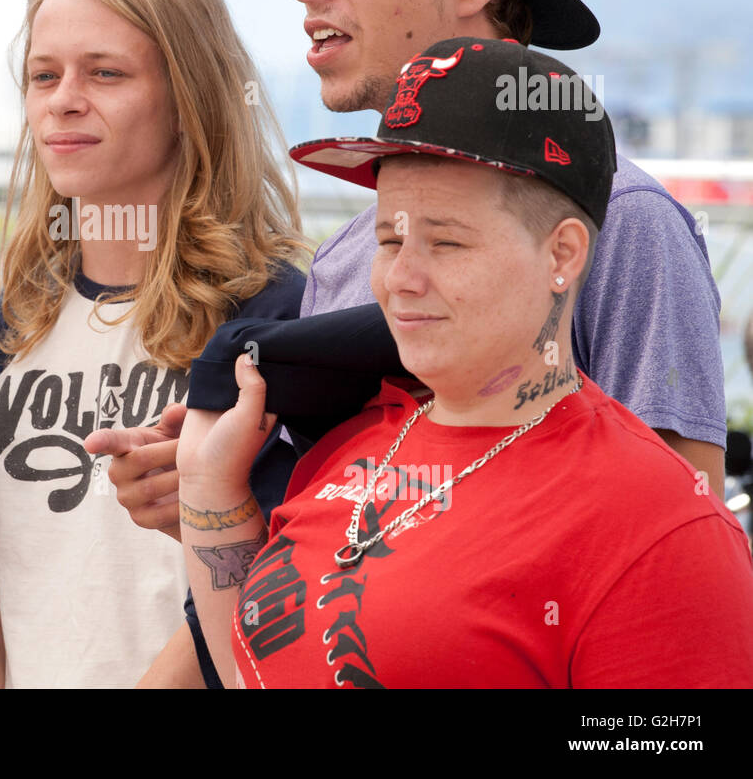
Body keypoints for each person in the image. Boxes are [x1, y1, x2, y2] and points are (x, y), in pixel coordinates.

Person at [88, 0, 728, 686]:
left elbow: (669, 560)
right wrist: (216, 492)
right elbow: (336, 577)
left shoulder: (623, 223)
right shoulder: (355, 254)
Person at [178, 36, 753, 688]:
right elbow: (248, 674)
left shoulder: (656, 526)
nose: (401, 278)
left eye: (445, 242)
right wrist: (210, 492)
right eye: (389, 239)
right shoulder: (348, 445)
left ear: (562, 255)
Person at [0, 0, 310, 688]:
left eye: (105, 72)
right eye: (44, 75)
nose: (63, 99)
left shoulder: (277, 318)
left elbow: (284, 571)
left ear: (191, 97)